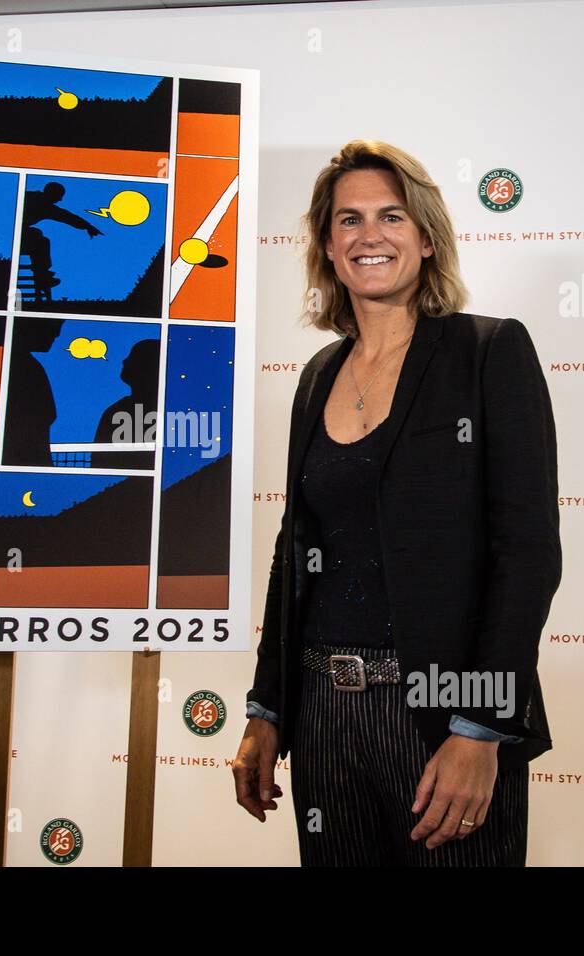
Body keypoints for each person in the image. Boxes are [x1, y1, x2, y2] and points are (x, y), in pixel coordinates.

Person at [232, 140, 562, 866]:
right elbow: (298, 550)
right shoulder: (318, 374)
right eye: (348, 220)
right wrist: (268, 708)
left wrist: (480, 727)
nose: (369, 235)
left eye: (391, 216)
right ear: (326, 243)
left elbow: (527, 553)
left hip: (441, 714)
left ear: (425, 236)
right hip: (321, 714)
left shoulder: (488, 352)